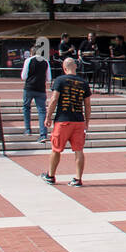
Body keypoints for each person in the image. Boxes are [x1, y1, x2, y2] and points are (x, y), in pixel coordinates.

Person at [41, 58, 91, 187]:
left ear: (64, 68)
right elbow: (87, 105)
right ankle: (78, 178)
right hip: (79, 121)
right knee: (79, 150)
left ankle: (51, 176)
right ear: (75, 67)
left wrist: (48, 116)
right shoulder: (84, 83)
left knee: (56, 149)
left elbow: (54, 99)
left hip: (63, 120)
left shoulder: (60, 80)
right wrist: (87, 122)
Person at [20, 46, 52, 142]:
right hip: (41, 88)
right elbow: (49, 78)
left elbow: (23, 76)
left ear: (31, 53)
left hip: (29, 87)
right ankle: (43, 134)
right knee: (42, 111)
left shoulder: (29, 60)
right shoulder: (45, 61)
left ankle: (28, 129)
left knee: (26, 107)